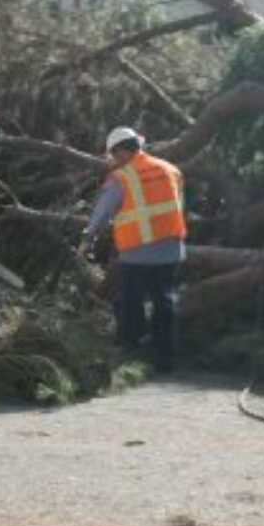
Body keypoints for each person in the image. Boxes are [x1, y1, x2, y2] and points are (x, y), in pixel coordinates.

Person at [83, 126, 187, 372]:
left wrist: (88, 237)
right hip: (171, 248)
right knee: (165, 301)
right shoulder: (171, 170)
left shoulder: (122, 177)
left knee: (130, 302)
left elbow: (103, 212)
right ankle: (166, 359)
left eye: (114, 155)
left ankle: (129, 352)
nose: (114, 161)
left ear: (121, 151)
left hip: (137, 250)